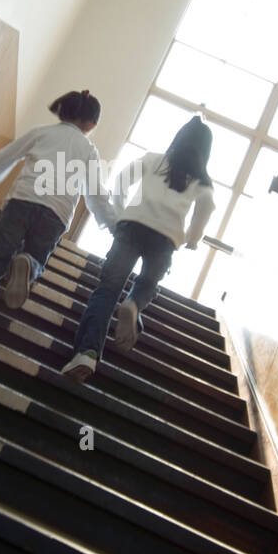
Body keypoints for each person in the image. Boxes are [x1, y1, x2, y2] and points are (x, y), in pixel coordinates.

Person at [61, 116, 214, 382]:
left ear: (178, 138)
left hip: (132, 227)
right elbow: (207, 208)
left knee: (107, 291)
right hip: (165, 239)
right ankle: (133, 304)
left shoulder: (154, 159)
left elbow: (121, 180)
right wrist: (191, 238)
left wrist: (121, 213)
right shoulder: (203, 183)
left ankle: (86, 353)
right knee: (145, 285)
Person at [0, 89, 116, 332]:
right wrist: (115, 227)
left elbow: (3, 159)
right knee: (36, 257)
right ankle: (29, 263)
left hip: (22, 201)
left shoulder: (41, 133)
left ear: (62, 112)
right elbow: (96, 194)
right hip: (57, 214)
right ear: (92, 124)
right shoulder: (89, 151)